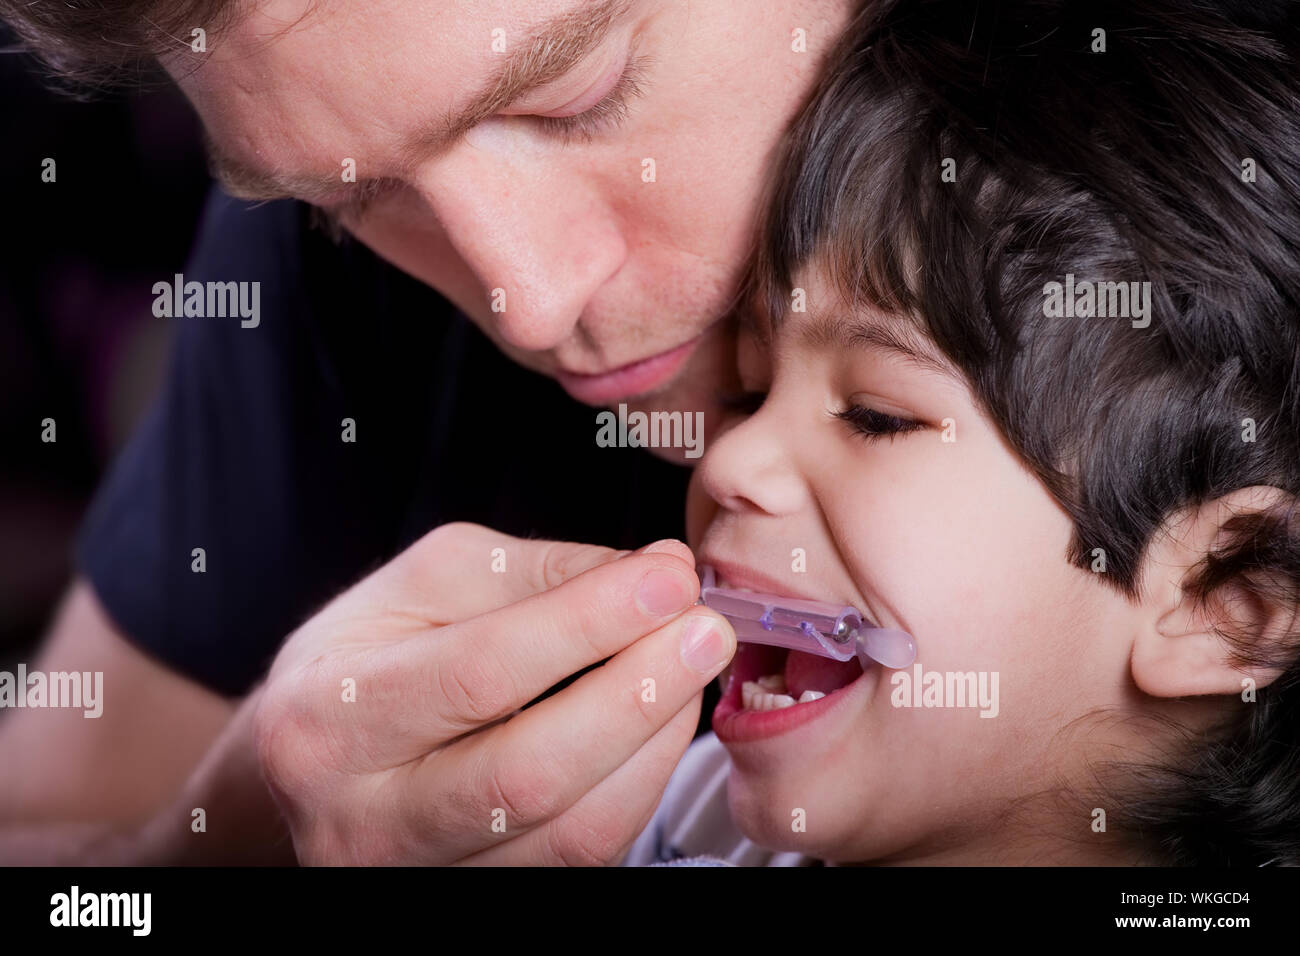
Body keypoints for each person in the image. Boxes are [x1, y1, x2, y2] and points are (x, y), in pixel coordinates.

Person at [0, 0, 857, 863]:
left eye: (578, 97)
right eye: (357, 196)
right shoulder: (316, 201)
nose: (528, 309)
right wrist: (230, 832)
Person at [623, 0, 1300, 865]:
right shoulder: (675, 820)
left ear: (1225, 605)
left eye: (877, 416)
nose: (728, 459)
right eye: (750, 394)